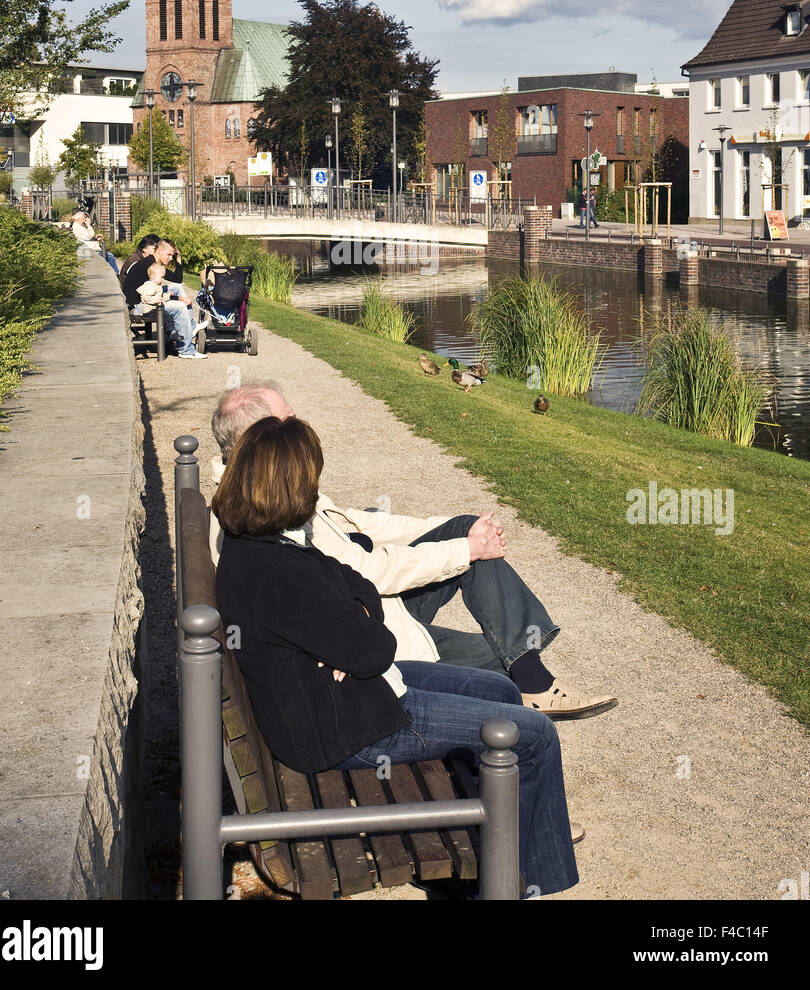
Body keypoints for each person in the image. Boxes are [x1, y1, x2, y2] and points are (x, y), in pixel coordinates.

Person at [213, 414, 579, 899]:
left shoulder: (263, 544)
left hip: (349, 696)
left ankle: (494, 840)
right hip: (352, 728)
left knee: (501, 689)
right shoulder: (282, 574)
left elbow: (357, 583)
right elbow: (375, 647)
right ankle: (528, 884)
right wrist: (357, 631)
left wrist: (354, 626)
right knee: (534, 735)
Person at [210, 383, 617, 718]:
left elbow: (362, 523)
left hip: (365, 616)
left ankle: (531, 680)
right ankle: (534, 685)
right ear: (259, 437)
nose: (300, 426)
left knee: (504, 646)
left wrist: (449, 527)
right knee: (503, 658)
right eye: (290, 420)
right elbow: (371, 572)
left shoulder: (260, 490)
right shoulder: (264, 510)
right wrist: (464, 549)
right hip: (365, 630)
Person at [122, 238, 207, 359]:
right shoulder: (148, 265)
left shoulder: (154, 264)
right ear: (160, 251)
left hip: (148, 299)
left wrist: (178, 260)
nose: (170, 258)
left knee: (177, 287)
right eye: (169, 255)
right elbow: (149, 297)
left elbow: (177, 279)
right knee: (180, 307)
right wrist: (180, 299)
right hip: (139, 305)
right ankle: (186, 350)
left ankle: (191, 328)